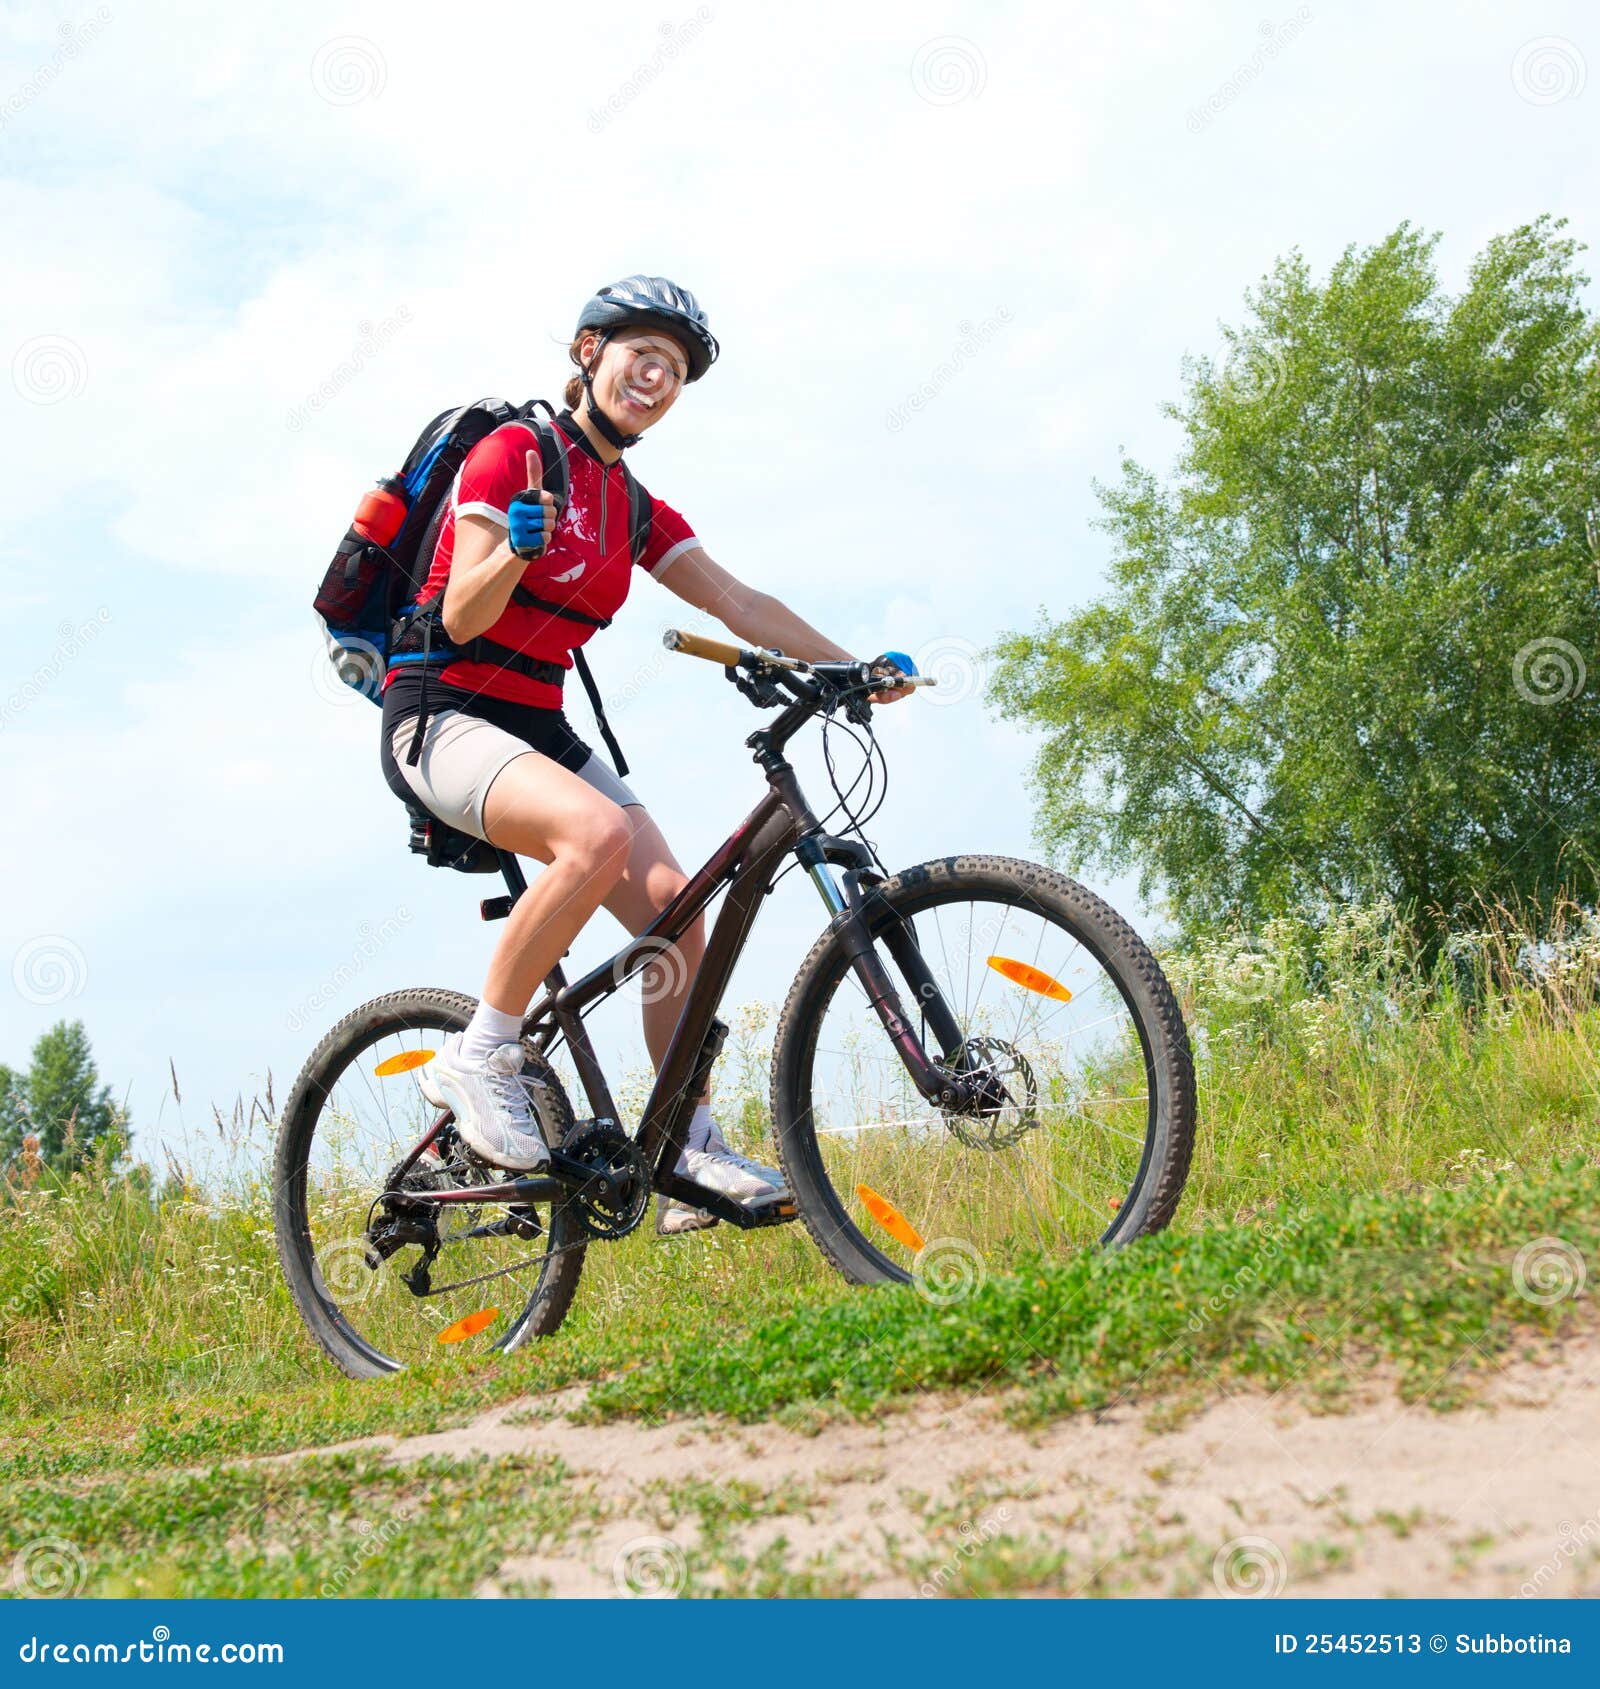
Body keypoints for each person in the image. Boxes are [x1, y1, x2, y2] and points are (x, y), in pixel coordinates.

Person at [380, 275, 909, 1234]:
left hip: (536, 724)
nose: (658, 375)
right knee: (593, 837)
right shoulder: (516, 454)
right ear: (590, 353)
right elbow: (462, 614)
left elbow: (738, 603)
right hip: (441, 712)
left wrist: (851, 664)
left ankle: (685, 1145)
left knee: (675, 910)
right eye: (643, 353)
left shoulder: (629, 504)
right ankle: (479, 1053)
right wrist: (513, 550)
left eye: (676, 368)